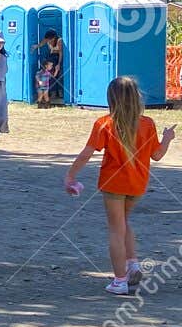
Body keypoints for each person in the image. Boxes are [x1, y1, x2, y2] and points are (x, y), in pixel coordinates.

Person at [64, 76, 174, 295]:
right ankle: (132, 264)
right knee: (123, 222)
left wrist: (70, 176)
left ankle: (120, 281)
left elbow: (87, 153)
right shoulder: (147, 124)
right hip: (138, 184)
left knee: (115, 229)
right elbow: (158, 155)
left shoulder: (104, 123)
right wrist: (168, 138)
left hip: (113, 183)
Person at [35, 31, 63, 107]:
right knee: (46, 73)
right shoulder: (47, 39)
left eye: (49, 39)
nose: (48, 41)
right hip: (50, 57)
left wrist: (59, 64)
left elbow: (60, 53)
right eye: (47, 39)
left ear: (53, 38)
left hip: (56, 58)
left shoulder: (59, 40)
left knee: (55, 75)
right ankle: (48, 92)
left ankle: (57, 92)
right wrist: (36, 46)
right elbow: (41, 44)